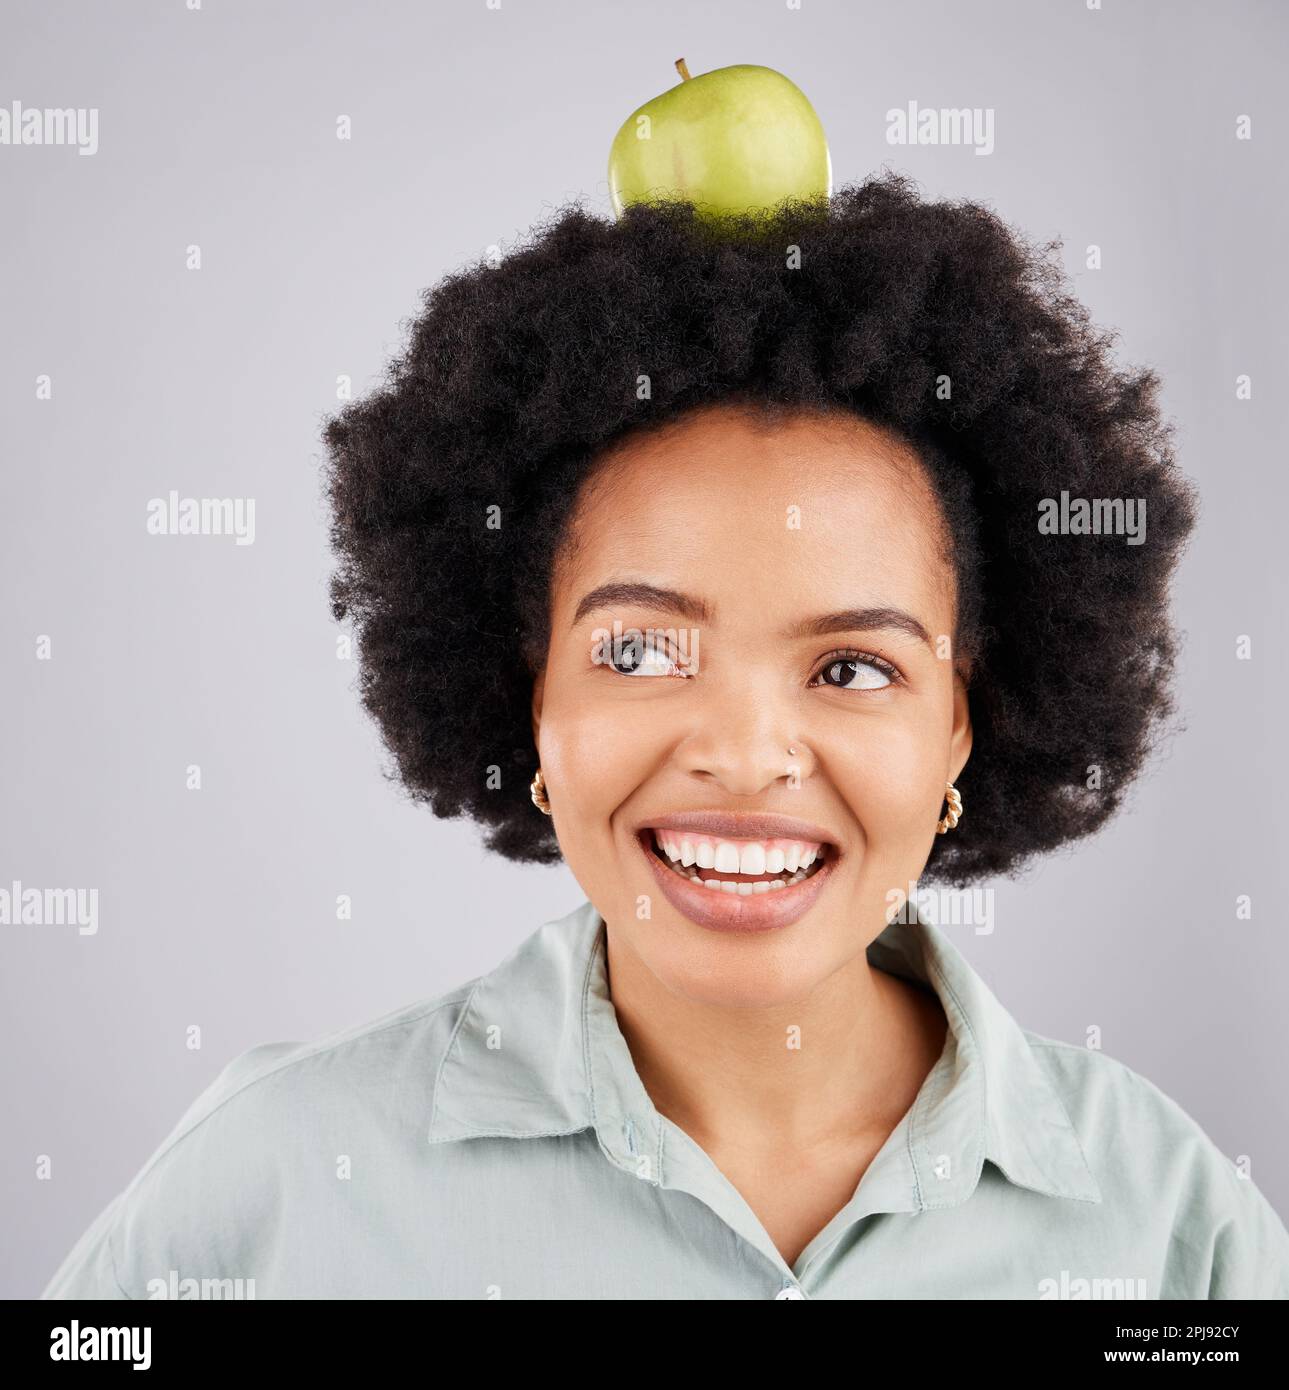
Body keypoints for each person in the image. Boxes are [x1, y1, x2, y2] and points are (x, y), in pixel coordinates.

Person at [43, 173, 1289, 1299]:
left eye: (852, 666)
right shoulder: (283, 1181)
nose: (746, 756)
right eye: (639, 650)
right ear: (529, 696)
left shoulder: (1168, 1228)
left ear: (961, 724)